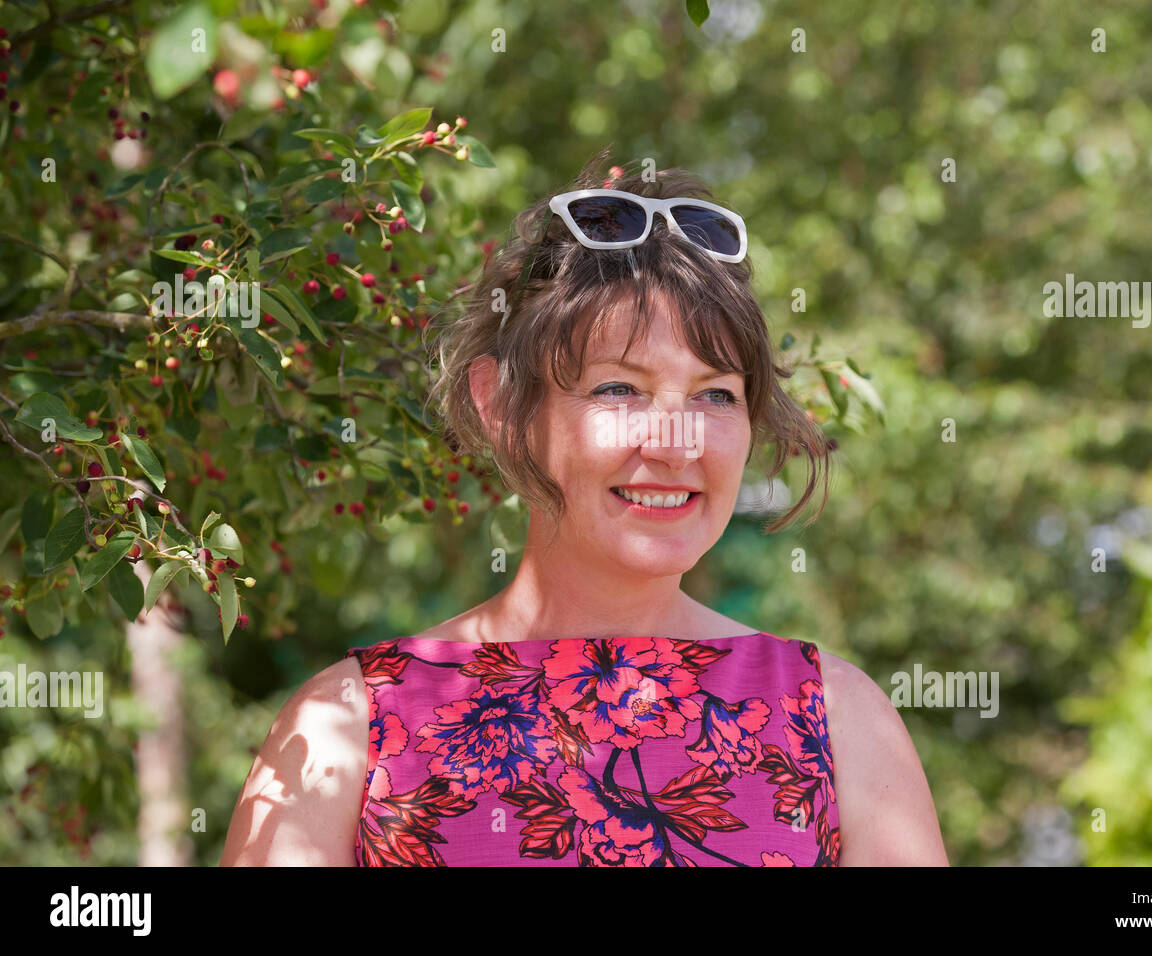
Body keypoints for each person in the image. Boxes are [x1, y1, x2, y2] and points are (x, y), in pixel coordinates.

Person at [221, 150, 947, 867]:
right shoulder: (344, 733)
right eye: (618, 389)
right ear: (501, 403)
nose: (674, 444)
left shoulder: (839, 721)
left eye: (714, 395)